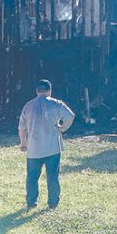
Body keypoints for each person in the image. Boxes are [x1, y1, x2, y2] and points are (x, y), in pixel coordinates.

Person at [18, 79, 76, 210]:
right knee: (52, 177)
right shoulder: (56, 104)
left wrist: (23, 142)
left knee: (32, 177)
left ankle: (31, 202)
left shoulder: (28, 106)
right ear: (50, 90)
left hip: (33, 148)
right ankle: (53, 203)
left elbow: (22, 127)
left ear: (37, 91)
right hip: (52, 148)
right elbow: (70, 116)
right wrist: (62, 128)